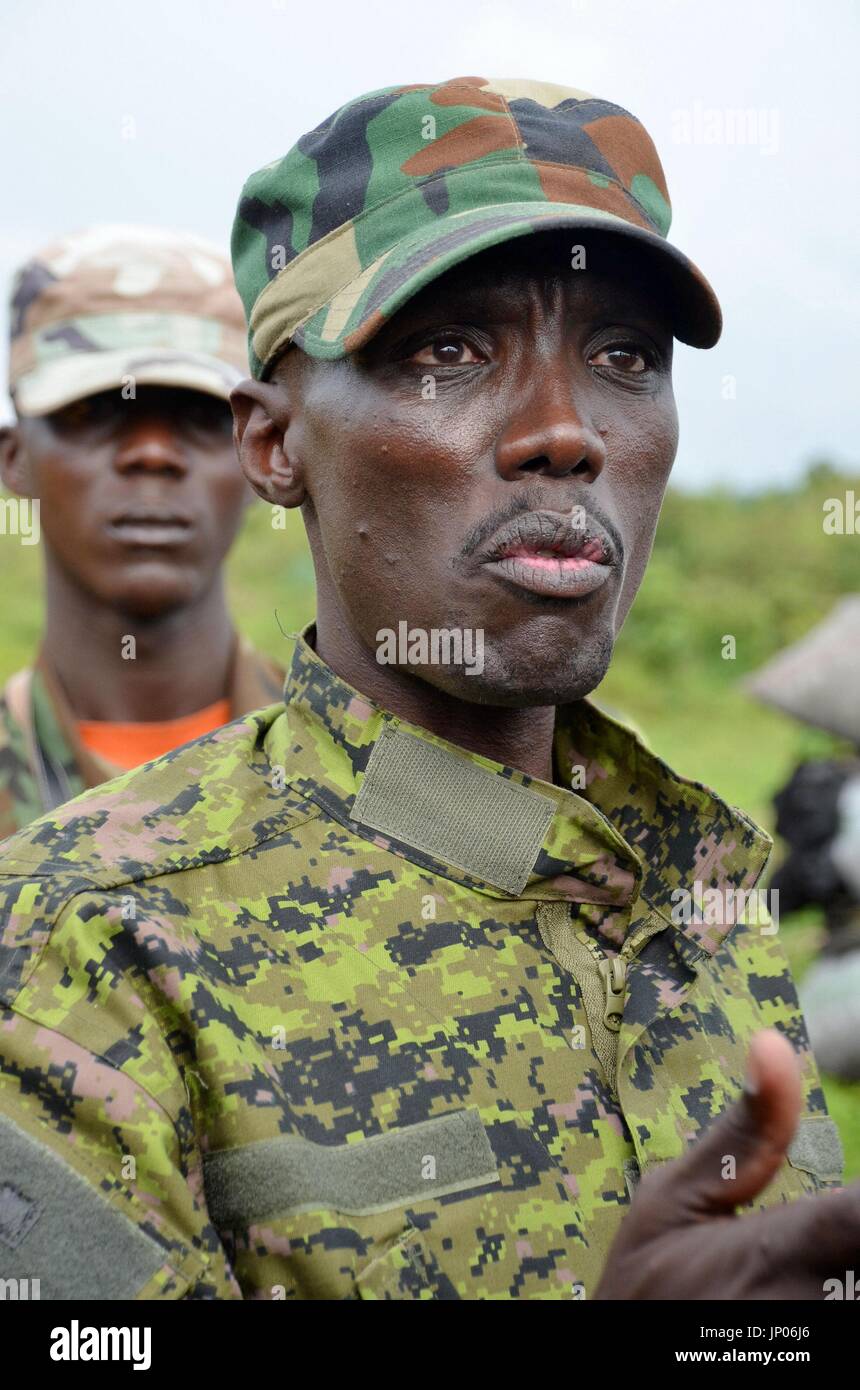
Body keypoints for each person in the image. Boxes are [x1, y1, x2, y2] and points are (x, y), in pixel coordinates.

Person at [0, 78, 851, 1301]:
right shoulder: (82, 946)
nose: (564, 430)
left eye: (620, 354)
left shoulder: (694, 884)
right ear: (274, 444)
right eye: (446, 351)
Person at [0, 225, 284, 839]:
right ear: (14, 458)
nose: (152, 454)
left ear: (262, 452)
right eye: (94, 410)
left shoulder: (367, 768)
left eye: (204, 415)